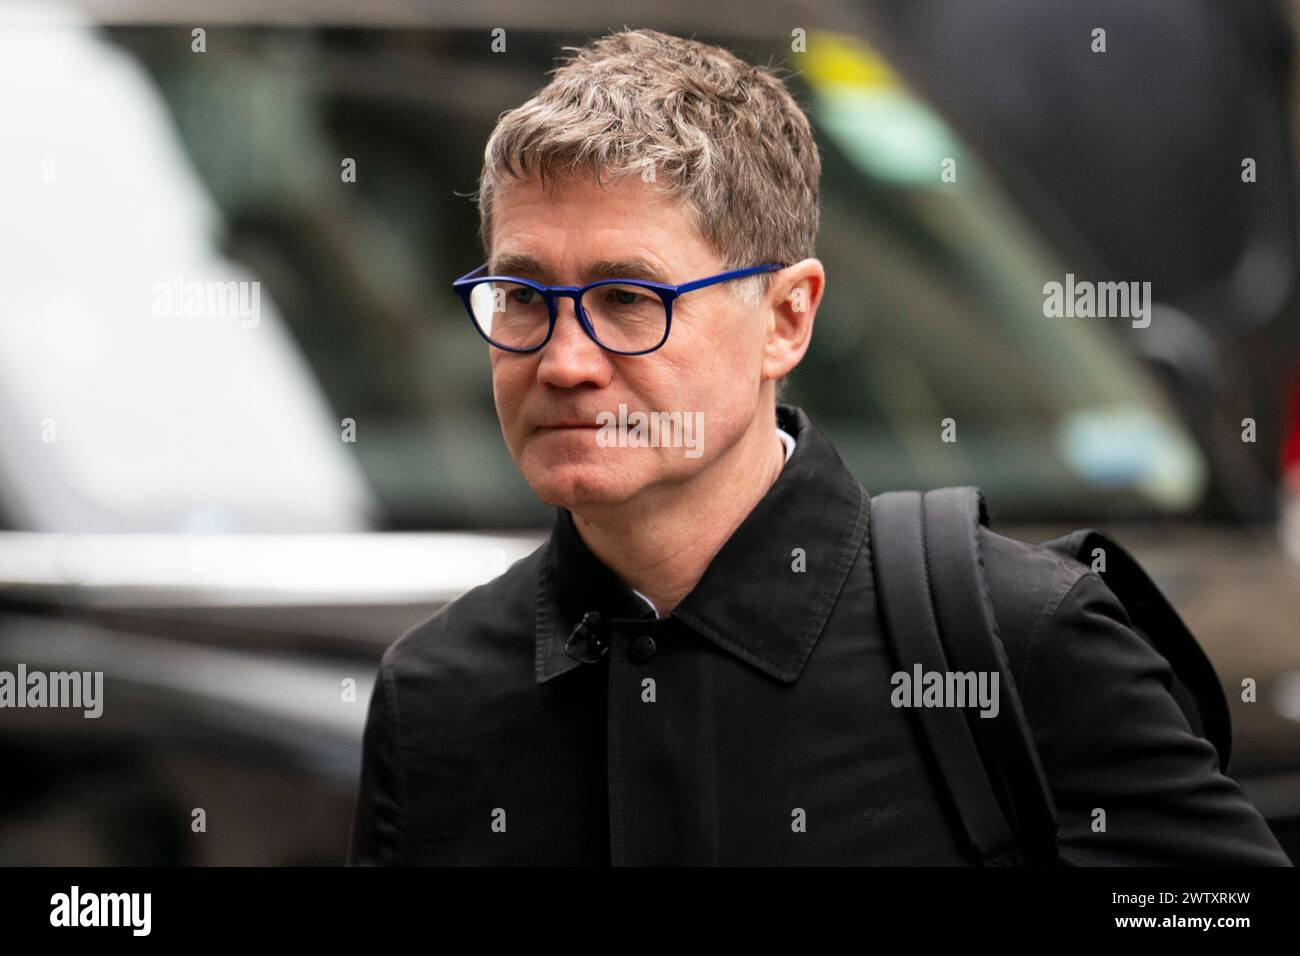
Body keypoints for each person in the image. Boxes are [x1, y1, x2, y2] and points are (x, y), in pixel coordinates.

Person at [347, 28, 1291, 866]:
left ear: (787, 319)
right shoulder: (436, 698)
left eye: (628, 299)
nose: (563, 361)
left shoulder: (1021, 639)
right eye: (523, 297)